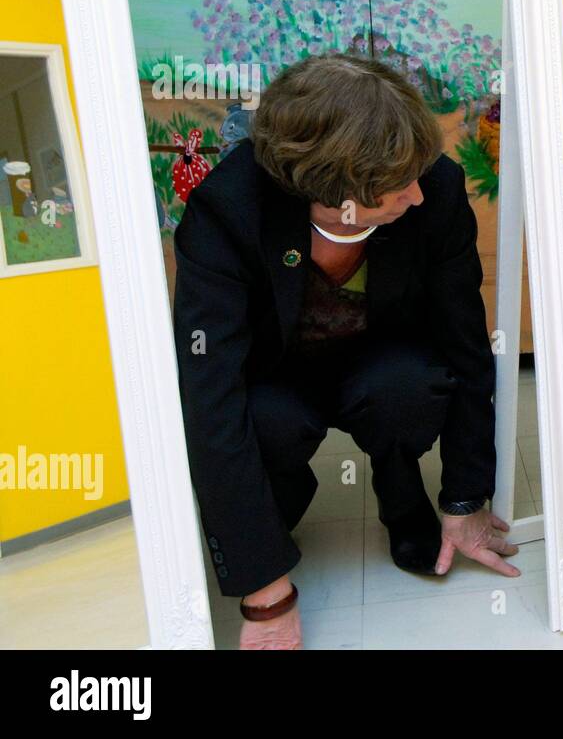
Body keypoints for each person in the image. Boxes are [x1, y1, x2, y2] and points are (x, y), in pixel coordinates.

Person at [172, 53, 518, 650]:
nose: (416, 194)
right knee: (265, 421)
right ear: (333, 192)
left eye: (417, 172)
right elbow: (211, 398)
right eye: (395, 185)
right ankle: (280, 505)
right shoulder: (225, 211)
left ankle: (398, 486)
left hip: (381, 366)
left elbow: (465, 345)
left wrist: (466, 499)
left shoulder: (433, 187)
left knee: (408, 388)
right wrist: (266, 594)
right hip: (276, 378)